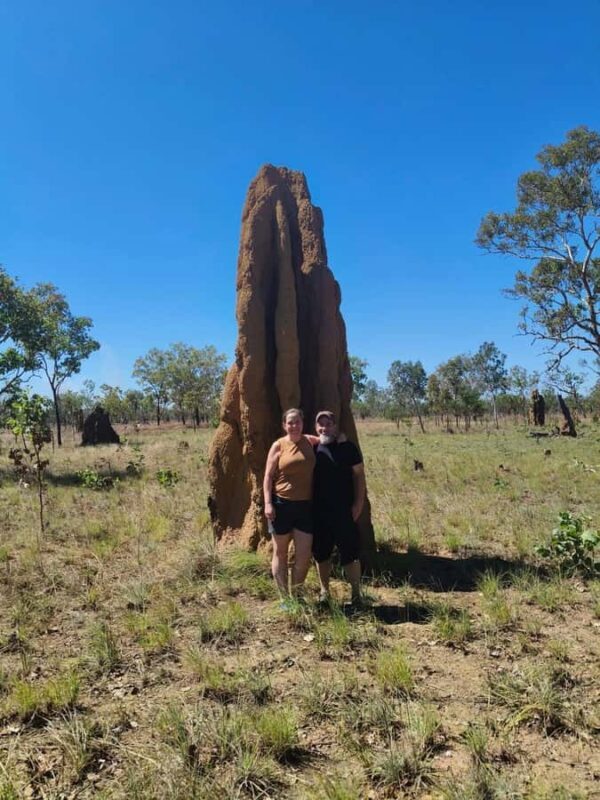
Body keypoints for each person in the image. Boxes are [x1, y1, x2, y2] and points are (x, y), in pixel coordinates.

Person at [312, 410, 365, 605]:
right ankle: (325, 591)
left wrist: (358, 503)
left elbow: (359, 475)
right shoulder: (313, 448)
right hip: (319, 512)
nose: (324, 428)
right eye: (321, 424)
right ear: (316, 428)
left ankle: (356, 594)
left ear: (335, 426)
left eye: (328, 424)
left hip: (344, 510)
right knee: (321, 553)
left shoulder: (348, 448)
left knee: (350, 552)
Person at [263, 408, 317, 598]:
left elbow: (328, 439)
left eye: (297, 422)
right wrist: (268, 503)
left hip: (305, 506)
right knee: (280, 553)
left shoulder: (310, 441)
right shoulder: (278, 446)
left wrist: (340, 437)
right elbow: (268, 476)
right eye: (290, 422)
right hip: (281, 505)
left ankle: (297, 594)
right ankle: (285, 598)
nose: (294, 425)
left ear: (303, 423)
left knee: (304, 555)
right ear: (284, 425)